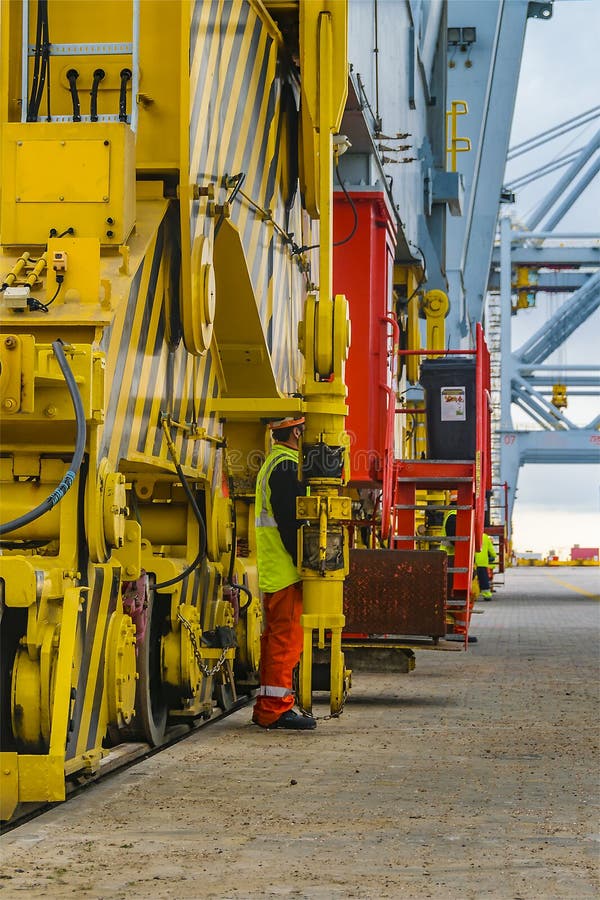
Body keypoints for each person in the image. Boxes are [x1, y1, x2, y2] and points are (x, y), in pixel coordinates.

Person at [252, 416, 317, 731]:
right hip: (287, 571)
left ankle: (267, 705)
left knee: (275, 640)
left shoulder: (274, 463)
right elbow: (292, 526)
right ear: (296, 431)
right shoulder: (287, 467)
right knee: (285, 642)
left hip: (275, 569)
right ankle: (275, 710)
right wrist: (307, 565)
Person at [475, 531, 496, 600]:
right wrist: (493, 556)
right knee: (484, 580)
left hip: (472, 562)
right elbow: (491, 550)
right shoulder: (485, 537)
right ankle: (487, 595)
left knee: (472, 579)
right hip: (482, 562)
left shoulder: (471, 535)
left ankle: (473, 594)